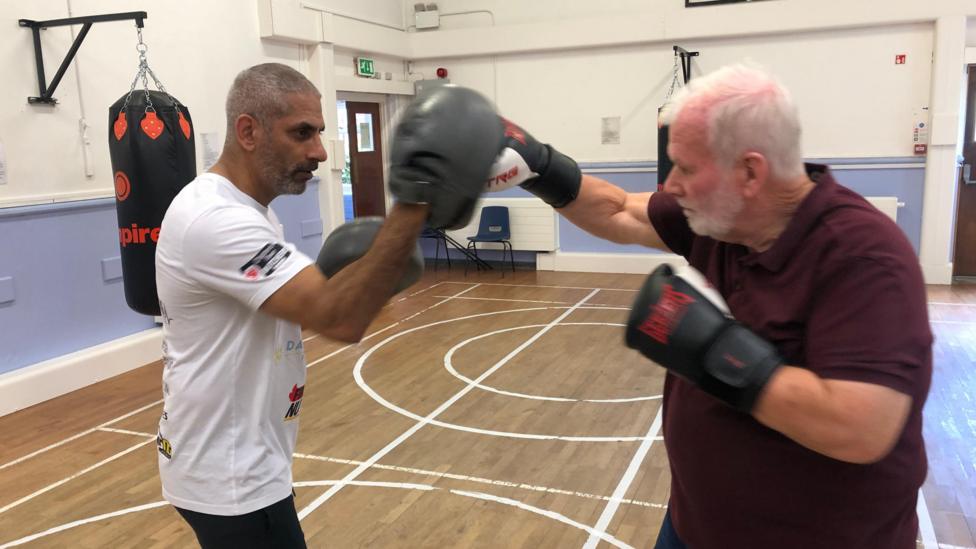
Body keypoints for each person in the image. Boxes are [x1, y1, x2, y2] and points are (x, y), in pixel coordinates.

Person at [486, 64, 932, 549]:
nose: (671, 183)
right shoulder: (721, 218)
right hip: (696, 523)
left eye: (687, 167)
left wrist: (711, 348)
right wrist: (539, 165)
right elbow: (618, 210)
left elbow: (862, 428)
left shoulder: (862, 256)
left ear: (750, 172)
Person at [154, 63, 504, 548]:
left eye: (319, 132)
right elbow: (341, 318)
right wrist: (416, 199)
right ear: (248, 131)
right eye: (301, 133)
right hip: (230, 474)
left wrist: (372, 265)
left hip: (238, 458)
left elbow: (320, 303)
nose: (319, 151)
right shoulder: (216, 221)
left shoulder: (245, 212)